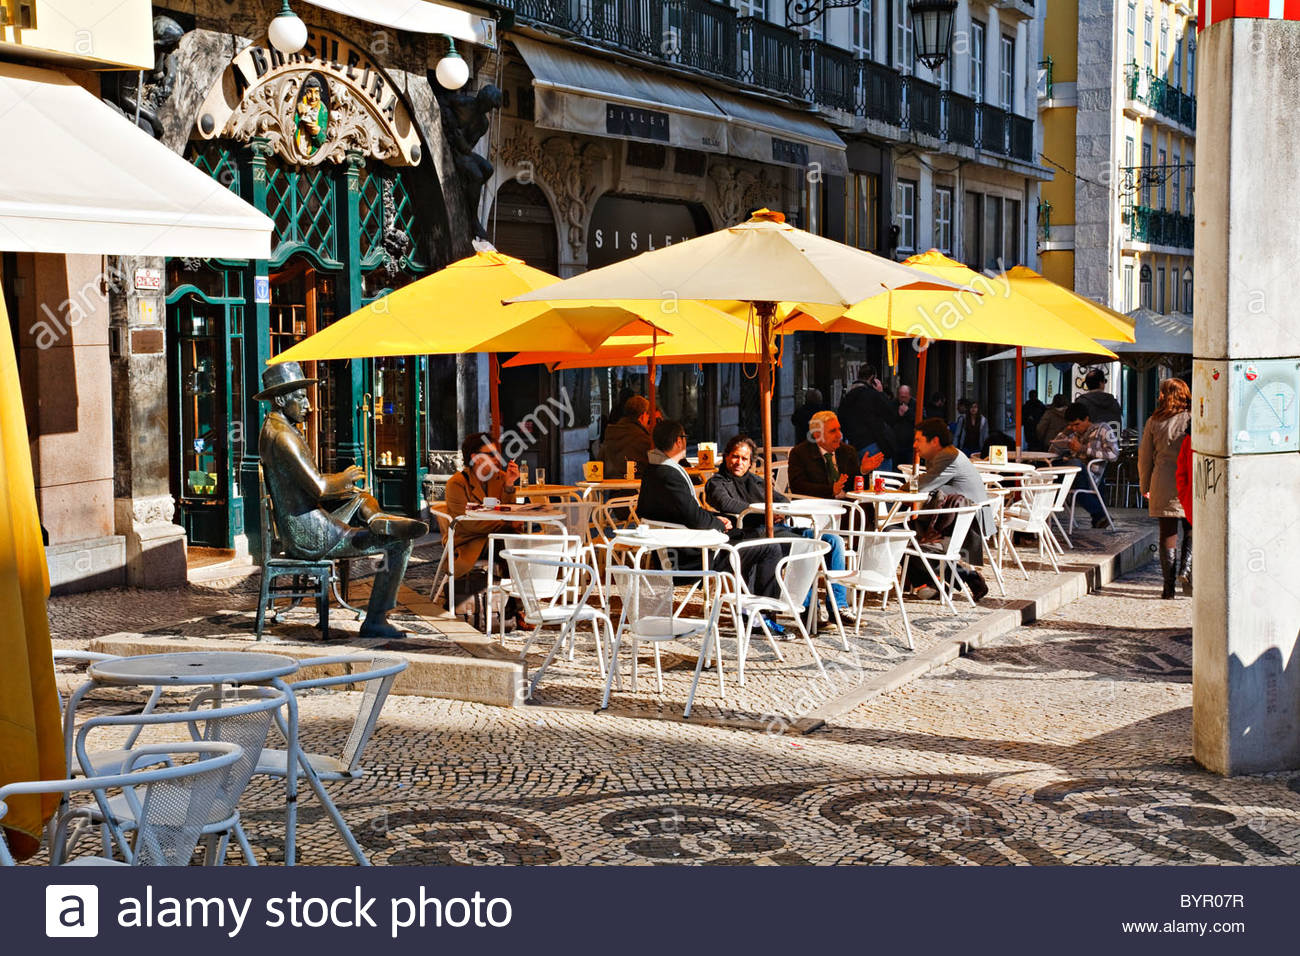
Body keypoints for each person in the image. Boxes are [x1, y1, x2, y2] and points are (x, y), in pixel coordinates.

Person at [256, 362, 428, 639]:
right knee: (400, 542)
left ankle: (377, 519)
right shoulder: (283, 436)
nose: (308, 406)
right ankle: (375, 619)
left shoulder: (277, 427)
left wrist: (345, 486)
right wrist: (344, 478)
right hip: (311, 535)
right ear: (280, 399)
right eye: (301, 398)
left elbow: (310, 483)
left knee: (359, 497)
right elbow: (320, 489)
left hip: (308, 520)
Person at [705, 434, 855, 623]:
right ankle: (808, 610)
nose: (739, 462)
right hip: (754, 537)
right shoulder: (717, 482)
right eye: (735, 456)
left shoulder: (756, 481)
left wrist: (779, 512)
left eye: (744, 459)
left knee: (833, 541)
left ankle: (838, 606)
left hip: (779, 530)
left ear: (750, 463)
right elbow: (726, 503)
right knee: (807, 545)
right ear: (726, 457)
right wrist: (766, 514)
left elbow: (782, 500)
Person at [637, 420, 783, 605]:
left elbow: (684, 513)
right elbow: (693, 517)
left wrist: (716, 518)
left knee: (754, 538)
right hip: (693, 557)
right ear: (678, 442)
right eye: (684, 438)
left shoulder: (652, 470)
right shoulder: (668, 474)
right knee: (769, 548)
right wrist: (719, 523)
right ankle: (762, 614)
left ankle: (750, 610)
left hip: (677, 548)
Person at [443, 431, 526, 627]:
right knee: (511, 544)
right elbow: (467, 523)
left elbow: (509, 510)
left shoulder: (499, 478)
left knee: (515, 543)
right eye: (491, 454)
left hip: (494, 538)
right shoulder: (456, 483)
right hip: (468, 542)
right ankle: (519, 608)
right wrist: (505, 524)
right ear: (475, 458)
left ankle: (515, 606)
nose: (497, 459)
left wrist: (509, 485)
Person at [909, 418, 991, 601]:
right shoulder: (945, 454)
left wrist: (896, 490)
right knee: (909, 535)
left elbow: (923, 485)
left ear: (935, 441)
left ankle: (931, 585)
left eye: (918, 440)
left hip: (968, 523)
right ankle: (965, 577)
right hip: (958, 516)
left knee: (904, 537)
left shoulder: (947, 457)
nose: (914, 445)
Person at [1139, 378, 1192, 599]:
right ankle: (1186, 570)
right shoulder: (1192, 418)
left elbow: (1144, 457)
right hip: (1188, 479)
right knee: (1191, 527)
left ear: (1163, 395)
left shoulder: (1154, 421)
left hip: (1162, 481)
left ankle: (1168, 588)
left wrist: (1145, 485)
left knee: (1167, 534)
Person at [1048, 401, 1120, 528]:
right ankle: (1100, 516)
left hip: (1091, 474)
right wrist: (1065, 432)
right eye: (1071, 426)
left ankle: (1099, 515)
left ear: (1087, 419)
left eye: (1077, 424)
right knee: (1051, 467)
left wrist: (1082, 449)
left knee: (1075, 464)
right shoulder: (1073, 434)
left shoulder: (1103, 429)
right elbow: (1052, 451)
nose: (1075, 428)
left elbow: (1114, 455)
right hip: (1074, 474)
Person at [787, 411, 885, 499]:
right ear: (817, 435)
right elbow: (798, 486)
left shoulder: (847, 451)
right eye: (833, 431)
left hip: (848, 506)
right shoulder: (799, 453)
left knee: (866, 509)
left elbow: (855, 487)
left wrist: (863, 471)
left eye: (839, 429)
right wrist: (831, 490)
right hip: (817, 507)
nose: (839, 435)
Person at [837, 369, 897, 469]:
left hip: (855, 444)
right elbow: (891, 415)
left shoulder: (847, 397)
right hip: (875, 442)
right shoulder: (873, 395)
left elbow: (841, 419)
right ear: (872, 379)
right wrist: (880, 392)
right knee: (882, 479)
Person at [602, 395, 653, 476]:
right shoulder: (642, 438)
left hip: (609, 483)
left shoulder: (611, 432)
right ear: (642, 416)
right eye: (648, 416)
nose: (648, 420)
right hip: (634, 484)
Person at [1175, 424, 1193, 595]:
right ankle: (1186, 570)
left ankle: (1185, 569)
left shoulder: (1189, 437)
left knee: (1190, 533)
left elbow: (1181, 470)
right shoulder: (1189, 436)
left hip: (1190, 496)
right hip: (1193, 495)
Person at [891, 384, 920, 466]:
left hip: (910, 445)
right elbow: (889, 420)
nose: (903, 399)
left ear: (909, 396)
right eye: (901, 397)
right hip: (896, 445)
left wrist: (908, 412)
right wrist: (898, 415)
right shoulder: (893, 404)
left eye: (905, 397)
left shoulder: (915, 404)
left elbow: (920, 420)